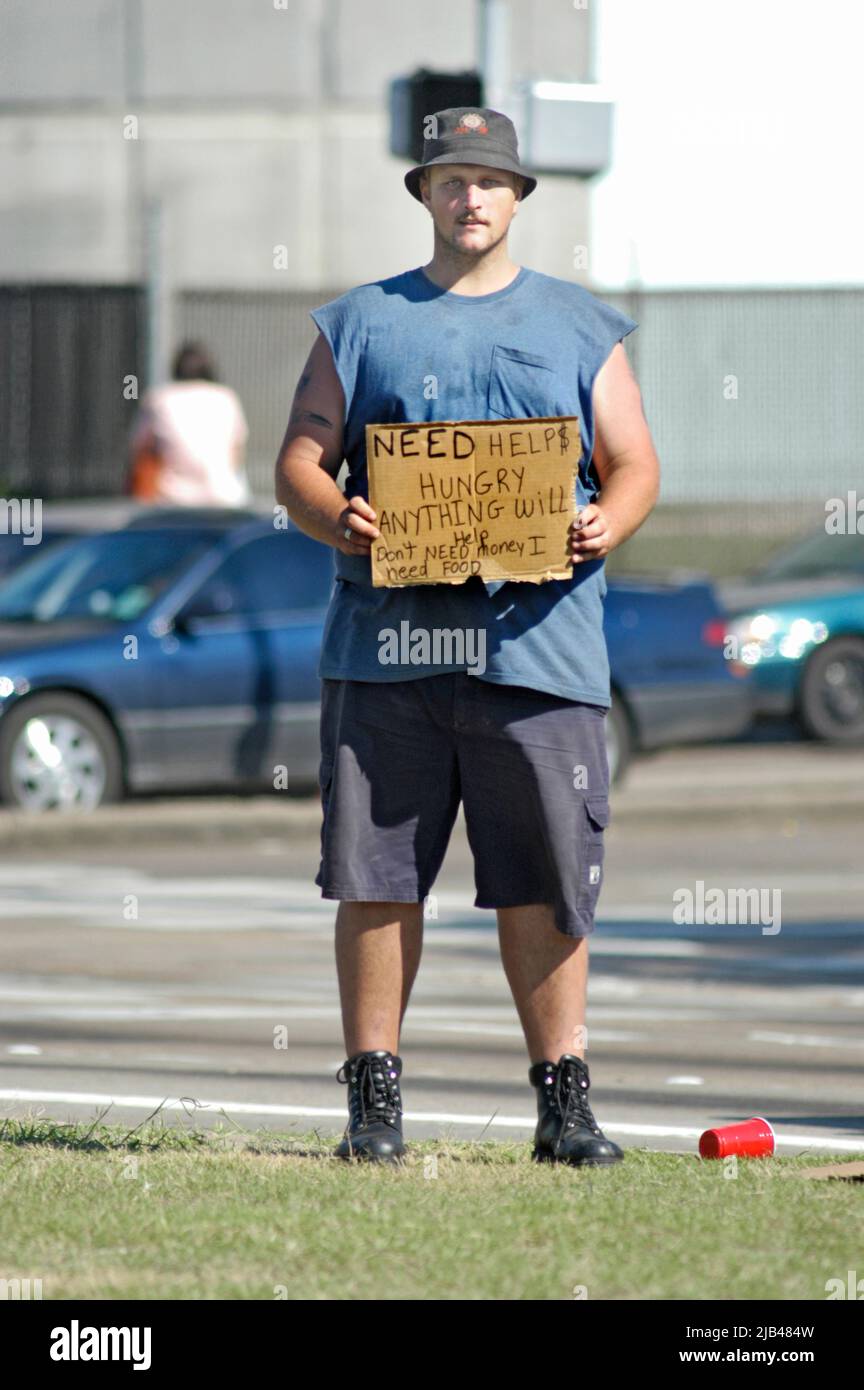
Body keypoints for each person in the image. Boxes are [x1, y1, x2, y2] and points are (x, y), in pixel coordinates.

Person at [274, 107, 660, 1167]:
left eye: (491, 180)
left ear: (519, 196)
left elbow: (633, 463)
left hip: (540, 652)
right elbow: (300, 461)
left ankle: (565, 1105)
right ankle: (373, 1108)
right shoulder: (358, 322)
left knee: (544, 877)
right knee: (377, 875)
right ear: (426, 196)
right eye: (451, 180)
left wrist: (605, 519)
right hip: (386, 653)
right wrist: (332, 510)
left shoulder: (582, 325)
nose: (472, 196)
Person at [128, 341, 252, 506]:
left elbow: (138, 447)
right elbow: (237, 454)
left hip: (172, 499)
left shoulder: (159, 398)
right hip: (225, 497)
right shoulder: (226, 397)